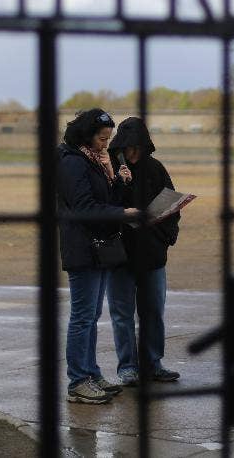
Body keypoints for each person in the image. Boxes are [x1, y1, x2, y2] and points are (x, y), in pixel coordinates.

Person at [57, 108, 137, 404]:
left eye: (108, 139)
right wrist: (122, 213)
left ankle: (91, 372)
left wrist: (118, 183)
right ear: (86, 135)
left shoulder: (93, 161)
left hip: (99, 247)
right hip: (82, 248)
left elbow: (102, 201)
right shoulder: (72, 162)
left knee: (91, 316)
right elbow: (85, 207)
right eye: (102, 139)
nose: (106, 144)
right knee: (82, 317)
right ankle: (78, 381)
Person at [106, 117, 181, 386]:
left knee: (153, 312)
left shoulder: (156, 168)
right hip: (119, 255)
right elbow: (101, 207)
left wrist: (165, 238)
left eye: (138, 147)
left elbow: (172, 206)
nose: (133, 152)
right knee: (122, 314)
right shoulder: (109, 167)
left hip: (152, 254)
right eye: (129, 147)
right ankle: (127, 368)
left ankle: (153, 364)